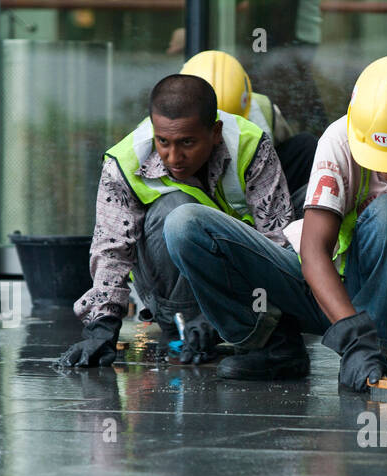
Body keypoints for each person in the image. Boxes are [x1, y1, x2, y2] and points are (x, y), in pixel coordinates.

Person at [162, 53, 387, 394]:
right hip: (315, 289)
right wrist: (352, 339)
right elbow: (314, 252)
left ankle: (372, 345)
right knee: (185, 224)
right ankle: (274, 347)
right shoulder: (340, 137)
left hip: (381, 309)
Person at [59, 73, 293, 369]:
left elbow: (277, 239)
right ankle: (185, 331)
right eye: (163, 141)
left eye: (187, 142)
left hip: (244, 293)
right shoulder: (124, 162)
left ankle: (235, 327)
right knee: (176, 210)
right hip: (171, 297)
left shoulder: (251, 146)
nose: (173, 157)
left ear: (216, 132)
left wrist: (226, 312)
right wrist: (101, 327)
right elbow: (111, 248)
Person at [181, 50, 318, 217]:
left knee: (306, 146)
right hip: (206, 195)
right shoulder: (170, 126)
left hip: (261, 188)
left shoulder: (265, 109)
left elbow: (285, 148)